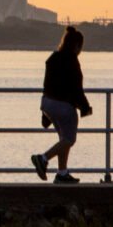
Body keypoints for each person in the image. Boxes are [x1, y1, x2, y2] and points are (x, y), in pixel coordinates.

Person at [33, 26, 92, 184]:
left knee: (63, 140)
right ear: (77, 46)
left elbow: (47, 84)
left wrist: (45, 115)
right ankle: (43, 158)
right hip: (63, 106)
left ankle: (62, 173)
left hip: (47, 103)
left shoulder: (53, 58)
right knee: (69, 140)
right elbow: (76, 88)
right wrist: (85, 107)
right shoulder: (72, 60)